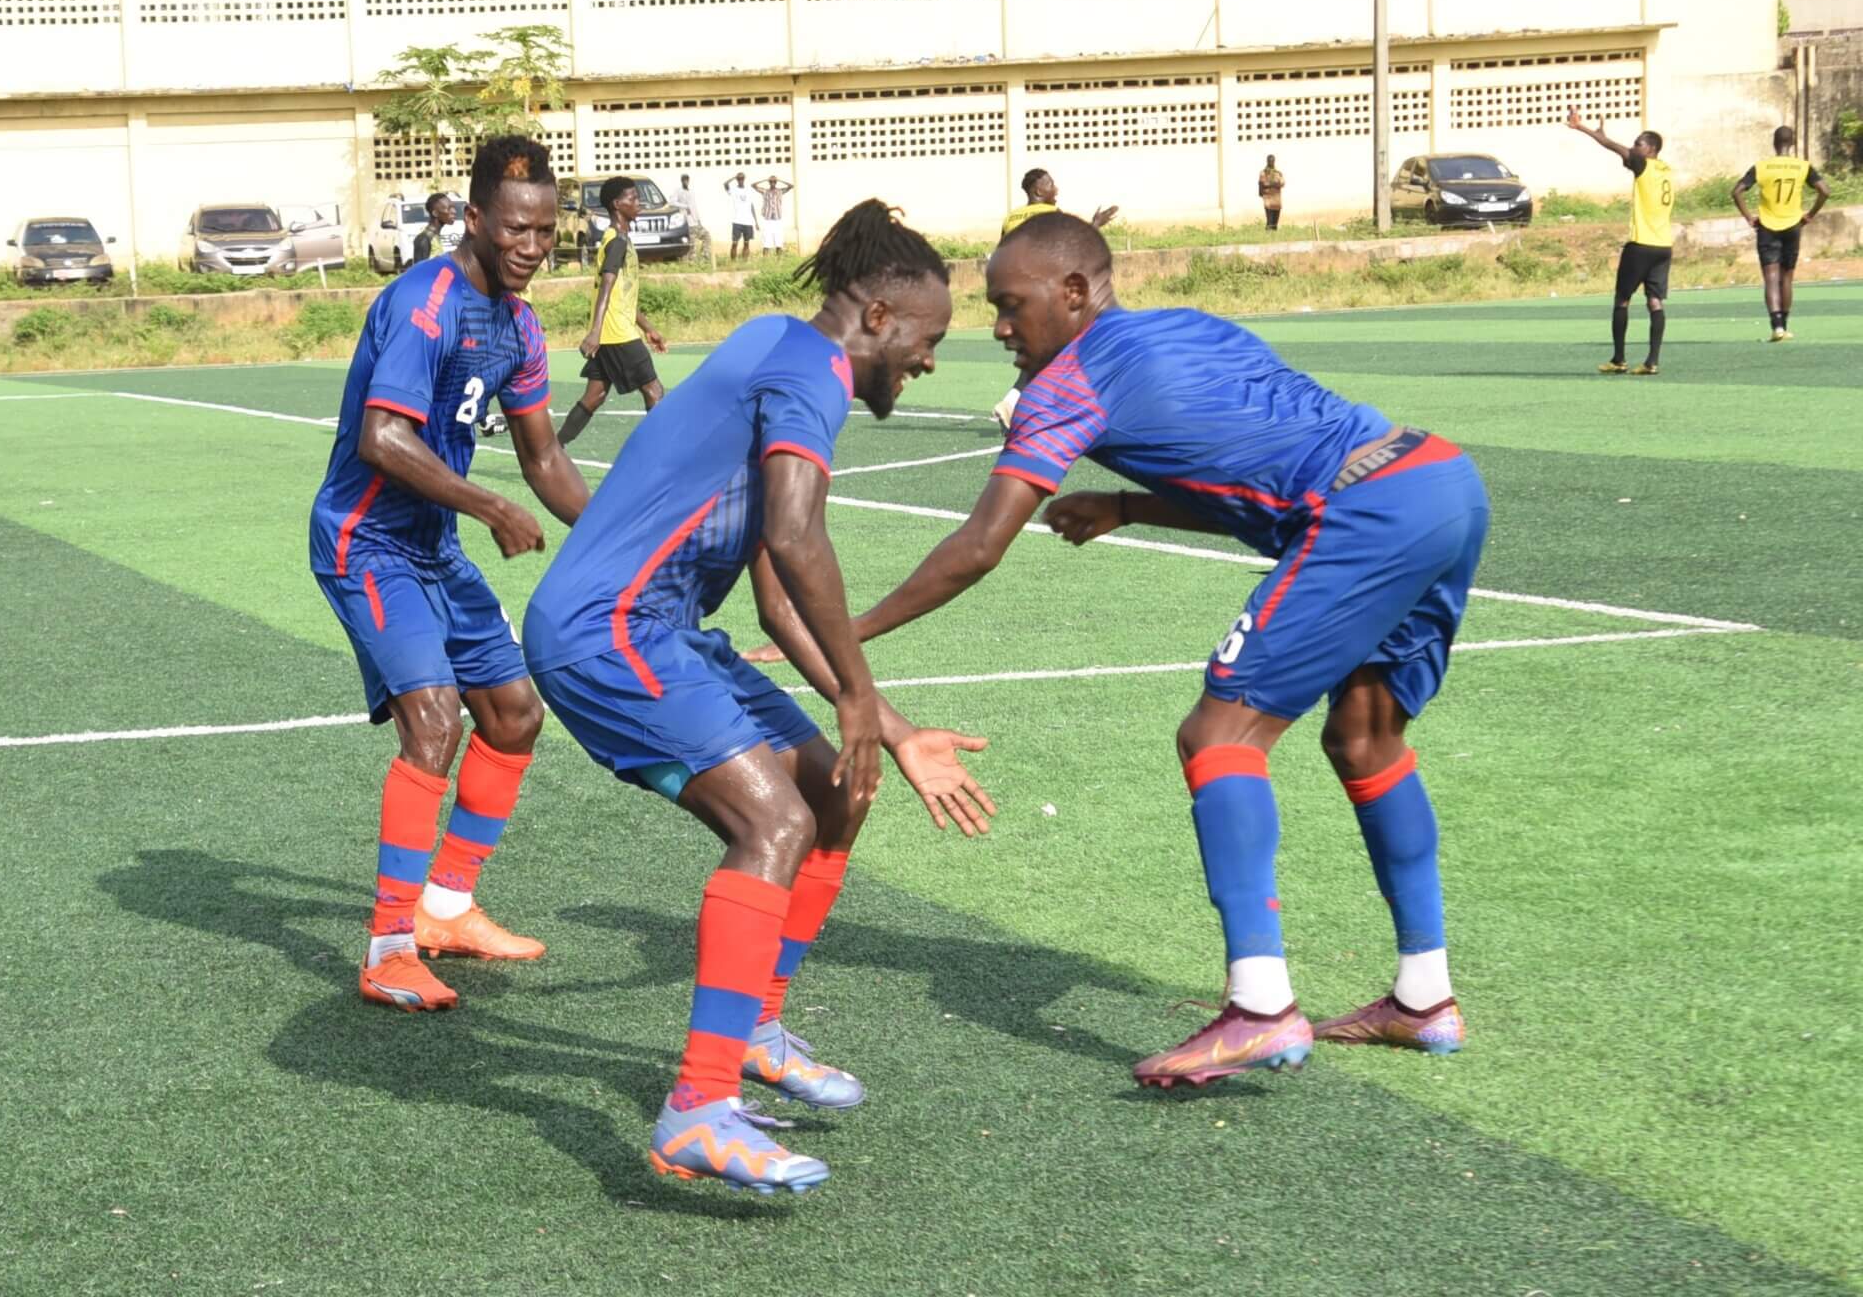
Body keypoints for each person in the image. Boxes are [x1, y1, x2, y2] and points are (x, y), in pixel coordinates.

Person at [841, 213, 1488, 1090]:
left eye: (1009, 304)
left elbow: (978, 547)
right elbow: (1269, 468)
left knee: (1218, 735)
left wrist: (846, 630)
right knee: (1367, 740)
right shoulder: (1189, 324)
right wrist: (1130, 507)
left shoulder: (1063, 387)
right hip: (1437, 478)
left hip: (1366, 517)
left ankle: (1260, 1009)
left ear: (1073, 294)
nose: (998, 327)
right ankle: (1425, 999)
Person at [521, 199, 997, 1194]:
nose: (928, 360)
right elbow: (792, 535)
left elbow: (779, 601)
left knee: (836, 789)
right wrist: (862, 698)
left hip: (658, 630)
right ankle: (697, 1108)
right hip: (603, 632)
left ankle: (754, 1031)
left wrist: (887, 729)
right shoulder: (804, 367)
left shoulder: (780, 356)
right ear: (875, 314)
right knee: (774, 820)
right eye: (928, 337)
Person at [307, 135, 595, 1015]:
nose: (532, 247)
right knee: (431, 724)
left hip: (434, 542)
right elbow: (382, 441)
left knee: (512, 717)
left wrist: (618, 543)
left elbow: (545, 458)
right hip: (366, 541)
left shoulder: (519, 325)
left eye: (546, 232)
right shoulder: (425, 302)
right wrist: (491, 507)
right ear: (474, 220)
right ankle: (389, 948)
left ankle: (446, 907)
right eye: (516, 229)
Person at [556, 175, 669, 445]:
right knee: (654, 391)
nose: (638, 203)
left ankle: (553, 448)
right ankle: (657, 459)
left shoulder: (615, 239)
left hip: (612, 329)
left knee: (594, 396)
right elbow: (607, 285)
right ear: (617, 205)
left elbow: (622, 293)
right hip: (616, 333)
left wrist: (648, 327)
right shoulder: (617, 241)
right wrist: (594, 332)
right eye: (633, 199)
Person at [1568, 108, 1674, 375]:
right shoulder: (1665, 169)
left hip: (1641, 244)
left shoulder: (1644, 164)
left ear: (1650, 149)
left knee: (1622, 300)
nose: (1633, 147)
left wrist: (1586, 130)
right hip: (1664, 246)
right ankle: (1652, 361)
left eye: (1638, 143)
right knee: (1655, 302)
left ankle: (1619, 359)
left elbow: (1612, 147)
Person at [1731, 125, 1830, 342]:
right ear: (1792, 143)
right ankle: (1785, 325)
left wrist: (1749, 217)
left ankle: (1776, 327)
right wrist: (1810, 214)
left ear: (1774, 143)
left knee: (1771, 277)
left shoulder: (1762, 166)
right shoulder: (1803, 167)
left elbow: (1736, 191)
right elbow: (1825, 191)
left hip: (1767, 225)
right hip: (1793, 224)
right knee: (1787, 276)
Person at [1000, 168, 1116, 238]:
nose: (1056, 189)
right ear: (1039, 191)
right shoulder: (1053, 213)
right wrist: (1096, 223)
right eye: (1051, 185)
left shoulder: (1010, 218)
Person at [411, 191, 458, 265]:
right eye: (449, 208)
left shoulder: (435, 236)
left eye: (453, 207)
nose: (454, 211)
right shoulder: (424, 239)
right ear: (435, 213)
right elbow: (419, 273)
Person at [756, 175, 794, 254]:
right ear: (769, 182)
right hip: (767, 220)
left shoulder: (780, 191)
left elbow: (791, 186)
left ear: (776, 182)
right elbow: (753, 185)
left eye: (774, 181)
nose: (772, 183)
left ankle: (779, 262)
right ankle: (765, 261)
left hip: (777, 219)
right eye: (771, 181)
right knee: (766, 242)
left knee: (778, 242)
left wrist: (779, 179)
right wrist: (765, 179)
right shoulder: (765, 191)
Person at [727, 173, 759, 260]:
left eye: (742, 178)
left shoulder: (748, 190)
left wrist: (756, 222)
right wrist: (734, 177)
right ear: (737, 179)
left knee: (746, 243)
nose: (740, 180)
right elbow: (725, 184)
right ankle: (732, 263)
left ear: (744, 179)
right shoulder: (734, 190)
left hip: (748, 221)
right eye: (739, 179)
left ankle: (744, 262)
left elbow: (751, 206)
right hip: (737, 221)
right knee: (734, 243)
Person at [1259, 157, 1285, 232]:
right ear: (1267, 161)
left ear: (1274, 161)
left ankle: (1274, 236)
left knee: (1275, 221)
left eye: (1272, 161)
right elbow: (1263, 183)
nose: (1271, 162)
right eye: (1270, 161)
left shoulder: (1278, 173)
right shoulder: (1263, 172)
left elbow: (1282, 183)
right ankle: (1268, 234)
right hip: (1268, 200)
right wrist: (1274, 184)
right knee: (1269, 220)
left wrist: (1271, 184)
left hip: (1277, 200)